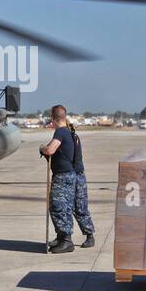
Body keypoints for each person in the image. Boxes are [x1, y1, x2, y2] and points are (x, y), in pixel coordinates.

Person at [39, 104, 95, 253]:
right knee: (77, 206)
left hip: (65, 176)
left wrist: (42, 148)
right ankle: (64, 237)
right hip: (75, 175)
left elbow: (51, 149)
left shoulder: (61, 132)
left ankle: (66, 240)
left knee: (59, 207)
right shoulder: (71, 133)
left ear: (53, 118)